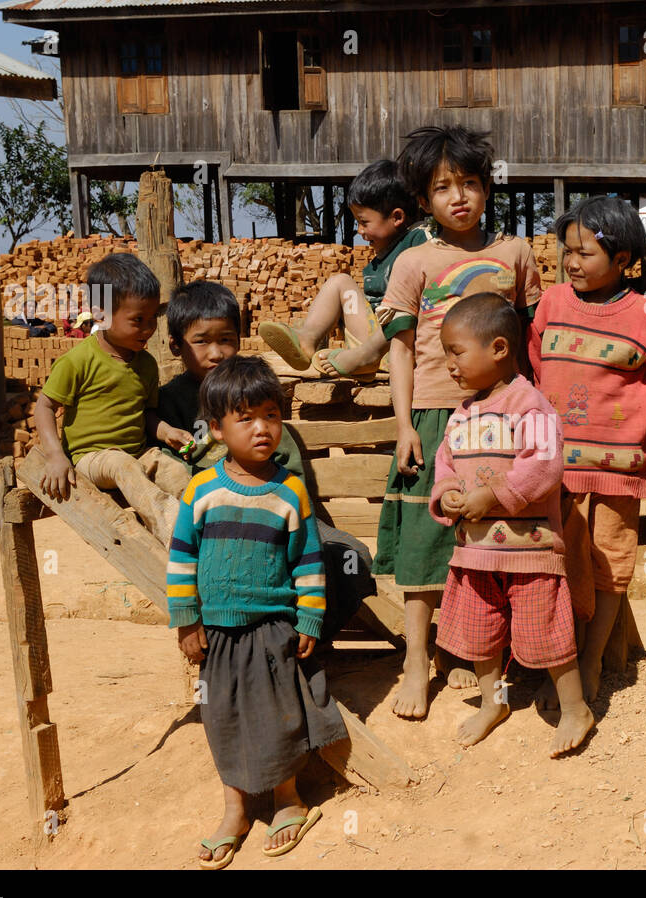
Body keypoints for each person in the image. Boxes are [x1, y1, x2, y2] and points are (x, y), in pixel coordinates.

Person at [374, 125, 543, 719]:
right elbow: (398, 350)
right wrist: (405, 425)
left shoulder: (515, 254)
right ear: (423, 200)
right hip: (435, 413)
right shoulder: (412, 262)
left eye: (469, 183)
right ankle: (416, 659)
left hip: (502, 415)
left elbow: (530, 338)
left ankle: (499, 660)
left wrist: (533, 412)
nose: (460, 197)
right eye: (443, 187)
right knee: (426, 538)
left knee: (496, 536)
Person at [168, 354, 349, 868]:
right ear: (218, 429)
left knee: (279, 716)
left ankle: (288, 799)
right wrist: (186, 619)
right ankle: (235, 810)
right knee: (221, 718)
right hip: (218, 633)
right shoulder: (200, 491)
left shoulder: (289, 491)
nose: (262, 428)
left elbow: (310, 559)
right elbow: (181, 558)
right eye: (244, 418)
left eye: (270, 414)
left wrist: (310, 616)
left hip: (272, 628)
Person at [156, 279, 376, 642]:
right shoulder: (171, 402)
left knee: (351, 556)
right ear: (176, 345)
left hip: (278, 507)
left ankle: (306, 637)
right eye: (202, 341)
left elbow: (288, 470)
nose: (216, 353)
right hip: (220, 521)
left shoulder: (254, 386)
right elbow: (172, 473)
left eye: (226, 339)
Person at [528, 196, 646, 706]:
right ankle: (562, 662)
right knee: (558, 558)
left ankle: (591, 662)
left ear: (622, 260)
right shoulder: (551, 305)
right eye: (566, 250)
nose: (571, 262)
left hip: (620, 466)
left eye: (584, 252)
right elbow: (534, 364)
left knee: (611, 563)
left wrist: (627, 410)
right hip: (555, 468)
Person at [428, 293, 594, 756]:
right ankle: (493, 701)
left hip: (530, 550)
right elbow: (445, 465)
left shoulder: (530, 404)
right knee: (481, 636)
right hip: (475, 551)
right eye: (445, 354)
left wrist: (494, 495)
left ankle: (576, 707)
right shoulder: (461, 414)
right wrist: (449, 495)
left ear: (499, 348)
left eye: (456, 352)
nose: (449, 364)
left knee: (547, 632)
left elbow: (543, 466)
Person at [32, 253, 190, 544]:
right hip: (91, 458)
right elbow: (44, 406)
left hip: (138, 453)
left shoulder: (146, 365)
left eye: (152, 318)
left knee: (174, 470)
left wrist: (166, 431)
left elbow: (147, 414)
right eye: (137, 320)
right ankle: (176, 537)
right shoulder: (77, 360)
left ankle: (210, 525)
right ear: (101, 314)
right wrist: (56, 455)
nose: (148, 328)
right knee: (121, 465)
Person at [259, 159, 428, 378]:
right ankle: (307, 340)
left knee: (342, 283)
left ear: (397, 217)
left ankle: (362, 358)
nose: (359, 231)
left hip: (399, 344)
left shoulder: (420, 241)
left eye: (364, 222)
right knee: (340, 281)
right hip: (376, 339)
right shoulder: (385, 255)